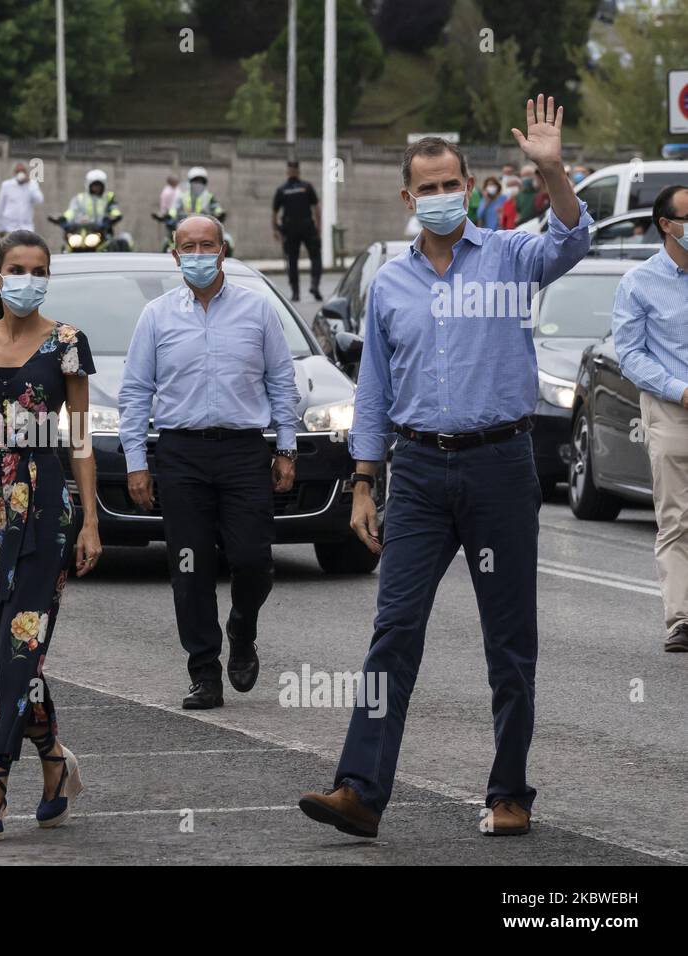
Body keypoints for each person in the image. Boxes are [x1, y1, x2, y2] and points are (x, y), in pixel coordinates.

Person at [297, 98, 591, 841]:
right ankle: (360, 790)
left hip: (500, 465)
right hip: (421, 472)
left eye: (449, 184)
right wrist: (364, 481)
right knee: (393, 627)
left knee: (509, 639)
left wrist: (553, 171)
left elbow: (571, 238)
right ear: (408, 198)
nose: (438, 198)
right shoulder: (392, 284)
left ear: (470, 185)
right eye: (425, 188)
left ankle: (510, 791)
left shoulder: (509, 256)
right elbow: (374, 394)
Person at [0, 228, 100, 841]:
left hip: (45, 512)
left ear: (47, 276)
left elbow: (80, 438)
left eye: (39, 268)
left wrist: (90, 520)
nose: (28, 277)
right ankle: (54, 759)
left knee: (22, 644)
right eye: (17, 267)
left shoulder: (67, 343)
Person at [119, 214, 299, 710]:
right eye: (188, 247)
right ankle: (204, 670)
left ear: (223, 251)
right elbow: (135, 392)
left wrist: (286, 448)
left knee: (252, 560)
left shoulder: (257, 310)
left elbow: (282, 383)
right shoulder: (156, 315)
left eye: (207, 245)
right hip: (181, 454)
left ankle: (242, 626)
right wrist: (137, 460)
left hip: (244, 451)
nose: (198, 254)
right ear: (174, 255)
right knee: (189, 566)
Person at [610, 184, 688, 652]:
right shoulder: (639, 284)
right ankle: (681, 619)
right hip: (671, 410)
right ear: (667, 225)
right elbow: (631, 356)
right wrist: (680, 390)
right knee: (677, 518)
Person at [271, 160, 322, 302]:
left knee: (293, 260)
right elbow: (316, 208)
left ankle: (299, 292)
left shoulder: (283, 190)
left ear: (289, 172)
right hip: (306, 227)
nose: (292, 171)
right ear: (298, 171)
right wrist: (319, 226)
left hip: (291, 229)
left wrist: (275, 229)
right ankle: (312, 286)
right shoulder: (306, 187)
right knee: (313, 257)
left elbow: (274, 213)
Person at [60, 169, 123, 238]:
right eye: (94, 185)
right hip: (82, 232)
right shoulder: (80, 198)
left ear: (103, 185)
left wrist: (114, 216)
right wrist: (64, 218)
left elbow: (114, 209)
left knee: (113, 243)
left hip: (103, 231)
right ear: (89, 185)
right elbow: (72, 211)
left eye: (99, 185)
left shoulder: (108, 198)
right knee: (67, 245)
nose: (96, 188)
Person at [0, 162, 43, 237]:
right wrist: (0, 228)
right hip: (9, 228)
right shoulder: (6, 185)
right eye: (18, 171)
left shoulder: (32, 185)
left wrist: (29, 184)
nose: (20, 173)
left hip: (27, 227)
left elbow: (39, 200)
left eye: (23, 171)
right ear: (14, 173)